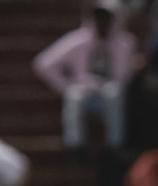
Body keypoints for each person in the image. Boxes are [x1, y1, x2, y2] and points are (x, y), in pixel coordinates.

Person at [32, 0, 139, 157]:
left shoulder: (125, 42)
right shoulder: (78, 40)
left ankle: (114, 145)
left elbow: (123, 77)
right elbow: (43, 63)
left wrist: (100, 84)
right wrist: (64, 86)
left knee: (114, 92)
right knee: (73, 95)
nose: (102, 22)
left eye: (106, 18)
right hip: (84, 92)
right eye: (98, 18)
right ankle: (75, 146)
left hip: (108, 92)